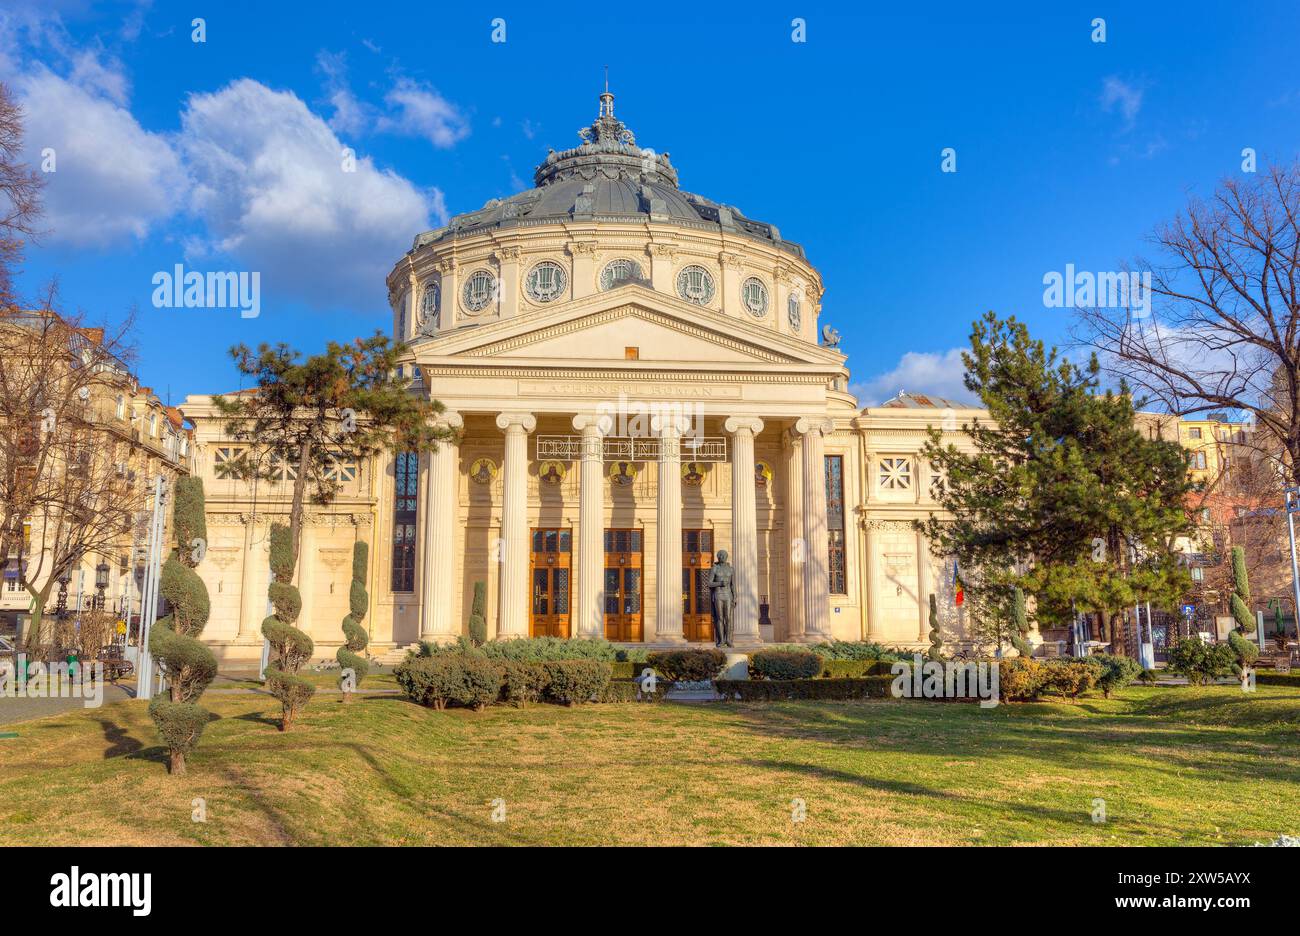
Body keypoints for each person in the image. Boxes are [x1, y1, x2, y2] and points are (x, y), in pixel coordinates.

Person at [709, 550, 735, 648]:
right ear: (718, 557)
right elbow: (709, 583)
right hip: (718, 595)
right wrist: (720, 583)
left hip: (728, 595)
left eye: (724, 556)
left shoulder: (731, 569)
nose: (722, 557)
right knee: (719, 618)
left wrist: (735, 597)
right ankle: (721, 640)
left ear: (726, 557)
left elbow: (733, 585)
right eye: (720, 556)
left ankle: (728, 639)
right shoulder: (714, 569)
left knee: (728, 618)